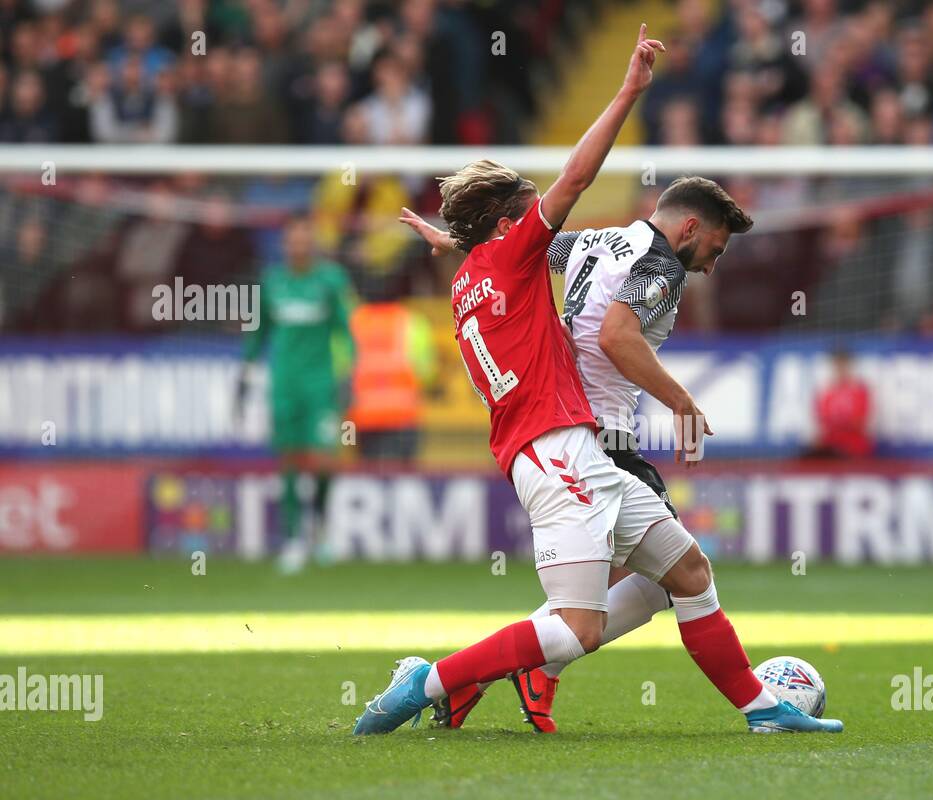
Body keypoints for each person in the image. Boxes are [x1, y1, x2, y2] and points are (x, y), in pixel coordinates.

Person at [354, 25, 841, 736]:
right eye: (528, 215)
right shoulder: (524, 255)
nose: (540, 221)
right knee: (574, 626)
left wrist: (451, 240)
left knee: (689, 572)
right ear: (509, 228)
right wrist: (628, 92)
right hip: (556, 446)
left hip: (571, 444)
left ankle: (764, 712)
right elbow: (577, 182)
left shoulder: (472, 278)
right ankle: (426, 681)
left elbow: (520, 253)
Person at [400, 175, 756, 732]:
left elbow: (516, 246)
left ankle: (515, 672)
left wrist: (451, 240)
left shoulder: (596, 241)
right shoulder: (660, 266)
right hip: (595, 435)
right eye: (713, 249)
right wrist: (682, 401)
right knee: (666, 578)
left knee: (648, 575)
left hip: (571, 423)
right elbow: (617, 335)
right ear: (690, 227)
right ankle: (507, 670)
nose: (710, 266)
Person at [237, 217, 357, 573]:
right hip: (284, 385)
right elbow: (258, 334)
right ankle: (292, 538)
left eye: (305, 240)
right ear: (285, 244)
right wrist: (244, 373)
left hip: (319, 385)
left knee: (323, 460)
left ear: (313, 243)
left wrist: (348, 371)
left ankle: (319, 525)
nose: (299, 246)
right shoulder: (273, 283)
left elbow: (345, 331)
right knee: (289, 460)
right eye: (293, 241)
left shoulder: (330, 280)